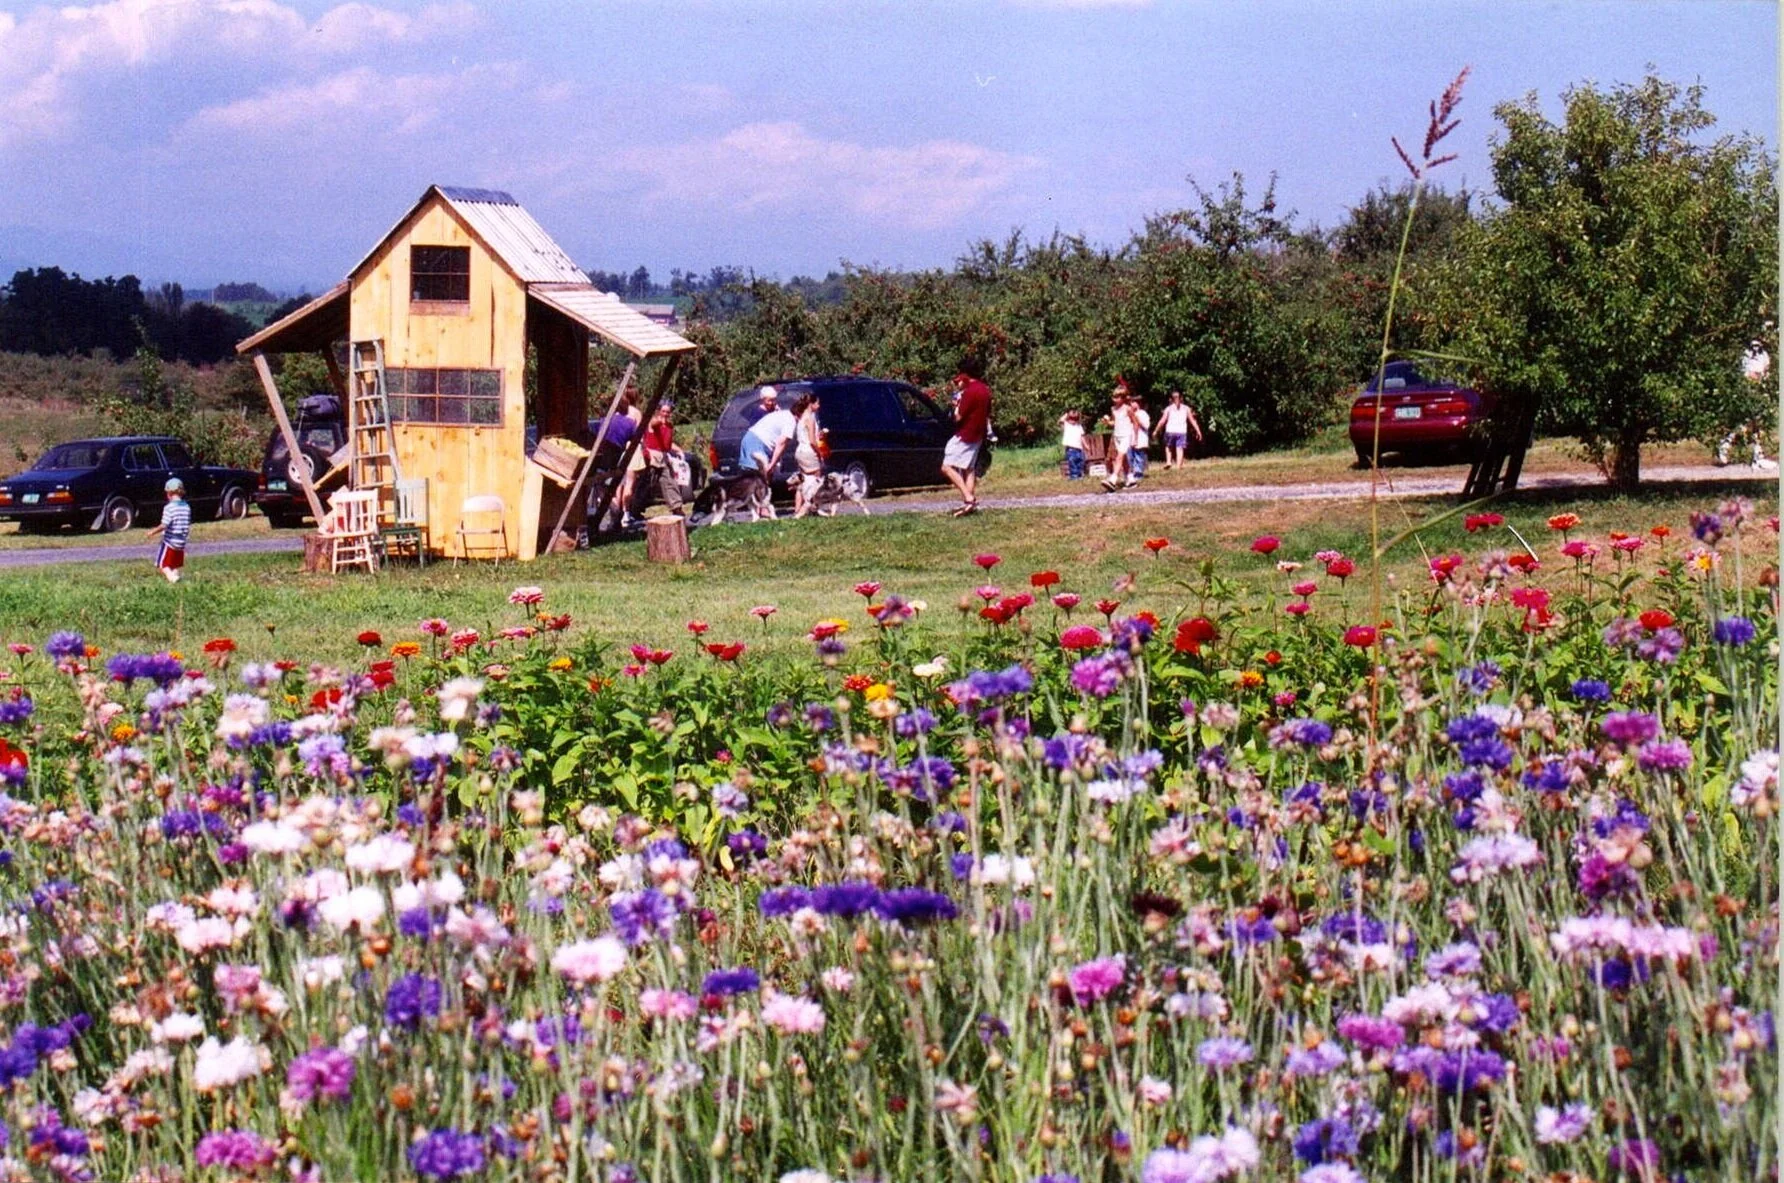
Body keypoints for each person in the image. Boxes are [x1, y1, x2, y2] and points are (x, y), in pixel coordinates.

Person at [941, 368, 991, 516]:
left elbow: (958, 418)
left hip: (965, 434)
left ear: (965, 379)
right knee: (969, 468)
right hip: (978, 434)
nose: (957, 385)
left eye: (958, 382)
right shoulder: (984, 389)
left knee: (946, 467)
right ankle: (969, 505)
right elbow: (988, 414)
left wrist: (955, 405)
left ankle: (969, 498)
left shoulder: (969, 393)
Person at [634, 400, 686, 519]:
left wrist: (679, 450)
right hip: (652, 457)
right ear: (658, 411)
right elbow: (654, 423)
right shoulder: (653, 423)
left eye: (668, 412)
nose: (665, 414)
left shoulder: (669, 426)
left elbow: (668, 443)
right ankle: (635, 510)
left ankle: (676, 507)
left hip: (663, 457)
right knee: (647, 484)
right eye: (663, 411)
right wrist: (660, 419)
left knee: (670, 481)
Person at [740, 387, 798, 479]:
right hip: (758, 443)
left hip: (769, 446)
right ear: (762, 400)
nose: (772, 403)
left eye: (774, 400)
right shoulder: (758, 413)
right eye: (769, 401)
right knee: (759, 475)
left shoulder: (776, 411)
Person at [145, 477, 191, 583]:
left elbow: (164, 525)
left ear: (169, 493)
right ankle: (176, 579)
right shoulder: (187, 507)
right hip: (181, 542)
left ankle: (172, 578)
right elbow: (187, 524)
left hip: (169, 542)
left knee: (161, 564)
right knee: (174, 564)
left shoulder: (169, 508)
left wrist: (153, 531)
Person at [792, 392, 824, 516]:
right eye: (817, 403)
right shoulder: (810, 418)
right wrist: (819, 452)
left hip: (799, 450)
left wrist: (818, 434)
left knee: (803, 481)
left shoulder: (801, 418)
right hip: (809, 452)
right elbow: (811, 440)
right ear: (811, 404)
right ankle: (813, 509)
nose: (819, 406)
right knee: (815, 481)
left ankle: (797, 508)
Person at [1101, 386, 1134, 492]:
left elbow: (1135, 422)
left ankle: (1113, 480)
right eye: (1113, 396)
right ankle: (1131, 479)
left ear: (1123, 398)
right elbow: (1114, 422)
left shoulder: (1128, 409)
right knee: (1123, 459)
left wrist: (1136, 438)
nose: (1114, 399)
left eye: (1117, 397)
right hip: (1117, 435)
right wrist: (1107, 422)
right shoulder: (1113, 409)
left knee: (1119, 457)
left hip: (1126, 435)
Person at [1160, 389, 1204, 470]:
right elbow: (1192, 421)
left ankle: (1169, 462)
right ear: (1181, 398)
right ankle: (1178, 466)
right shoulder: (1186, 408)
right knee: (1179, 448)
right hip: (1181, 431)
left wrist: (1156, 430)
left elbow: (1162, 421)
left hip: (1170, 430)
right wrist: (1198, 431)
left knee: (1168, 447)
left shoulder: (1168, 408)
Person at [1127, 396, 1152, 487]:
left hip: (1141, 439)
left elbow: (1146, 426)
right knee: (1131, 458)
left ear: (1137, 404)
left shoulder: (1142, 413)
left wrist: (1137, 419)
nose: (1131, 405)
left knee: (1139, 457)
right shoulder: (1130, 414)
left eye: (1132, 402)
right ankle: (1132, 474)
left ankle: (1139, 473)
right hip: (1131, 439)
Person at [1059, 409, 1086, 480]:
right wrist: (1067, 413)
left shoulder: (1079, 426)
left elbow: (1082, 437)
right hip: (1070, 448)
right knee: (1072, 462)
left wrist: (1086, 445)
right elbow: (1061, 420)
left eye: (1075, 419)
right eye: (1071, 419)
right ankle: (1074, 476)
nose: (1073, 421)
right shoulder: (1066, 425)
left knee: (1080, 461)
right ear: (1068, 418)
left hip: (1079, 448)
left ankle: (1080, 475)